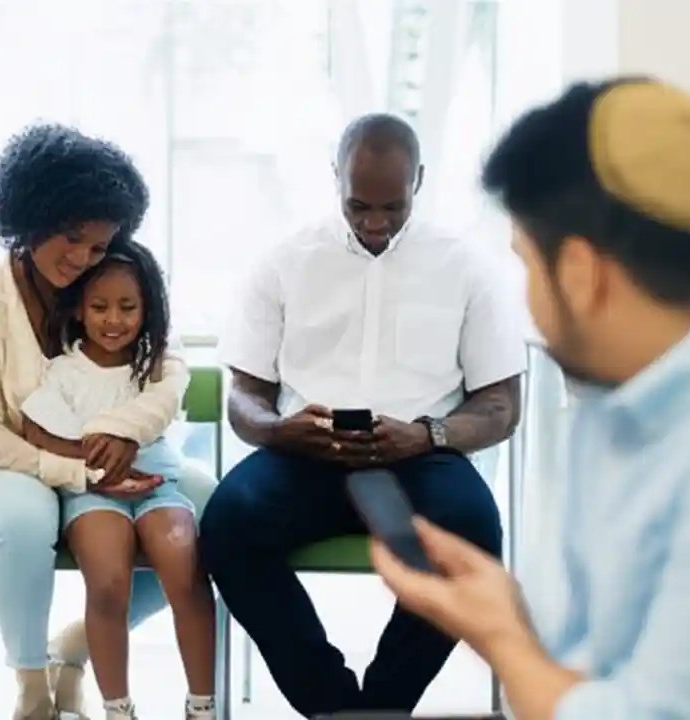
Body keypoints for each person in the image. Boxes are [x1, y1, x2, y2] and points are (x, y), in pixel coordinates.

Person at [373, 78, 690, 720]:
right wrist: (504, 610)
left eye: (525, 264)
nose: (528, 299)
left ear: (579, 274)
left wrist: (501, 636)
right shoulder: (617, 401)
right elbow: (584, 655)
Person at [200, 113, 526, 717]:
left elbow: (501, 405)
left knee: (474, 533)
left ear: (419, 181)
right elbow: (243, 398)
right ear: (335, 179)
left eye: (392, 207)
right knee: (227, 527)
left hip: (421, 455)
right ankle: (333, 704)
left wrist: (426, 434)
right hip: (306, 454)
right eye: (358, 206)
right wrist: (277, 429)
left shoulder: (467, 267)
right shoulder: (282, 261)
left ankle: (380, 707)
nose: (375, 223)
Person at [0, 123, 218, 720]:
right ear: (31, 215)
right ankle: (32, 686)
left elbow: (170, 366)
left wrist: (126, 431)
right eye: (72, 238)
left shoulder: (102, 277)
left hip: (113, 453)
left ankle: (77, 648)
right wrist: (82, 471)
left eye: (98, 245)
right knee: (28, 516)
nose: (82, 258)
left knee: (213, 508)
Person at [19, 243, 216, 720]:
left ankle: (202, 706)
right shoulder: (62, 370)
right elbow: (37, 430)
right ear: (79, 309)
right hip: (92, 493)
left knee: (186, 572)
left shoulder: (155, 362)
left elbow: (166, 403)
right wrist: (96, 467)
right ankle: (118, 709)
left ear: (146, 309)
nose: (113, 319)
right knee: (108, 584)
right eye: (99, 307)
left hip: (158, 485)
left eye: (128, 307)